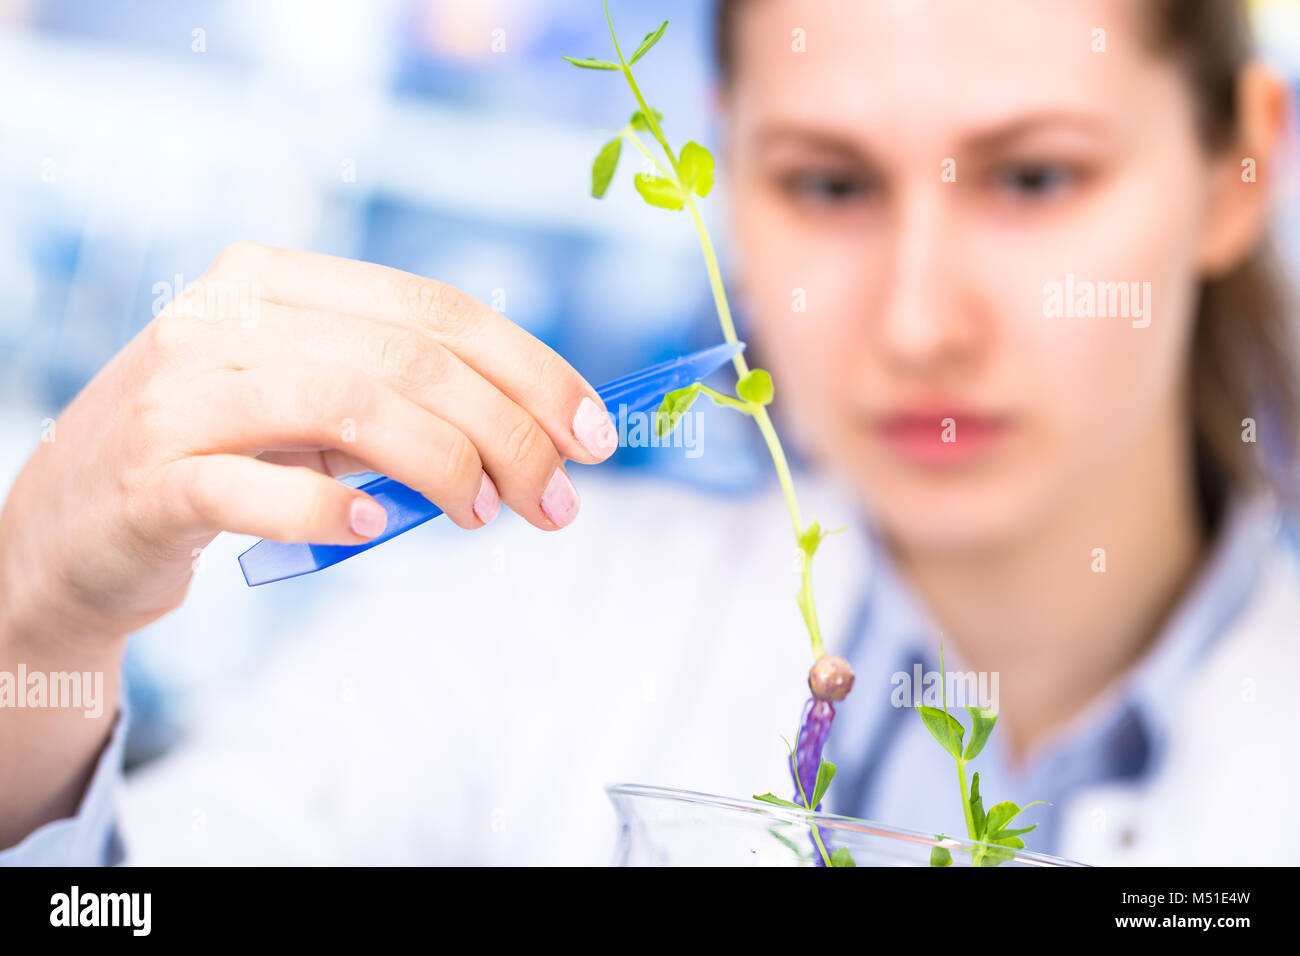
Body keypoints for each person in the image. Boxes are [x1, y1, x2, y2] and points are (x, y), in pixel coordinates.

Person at [1, 0, 1295, 865]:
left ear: (1240, 168)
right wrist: (41, 626)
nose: (916, 321)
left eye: (1033, 178)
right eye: (829, 184)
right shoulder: (530, 613)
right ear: (729, 168)